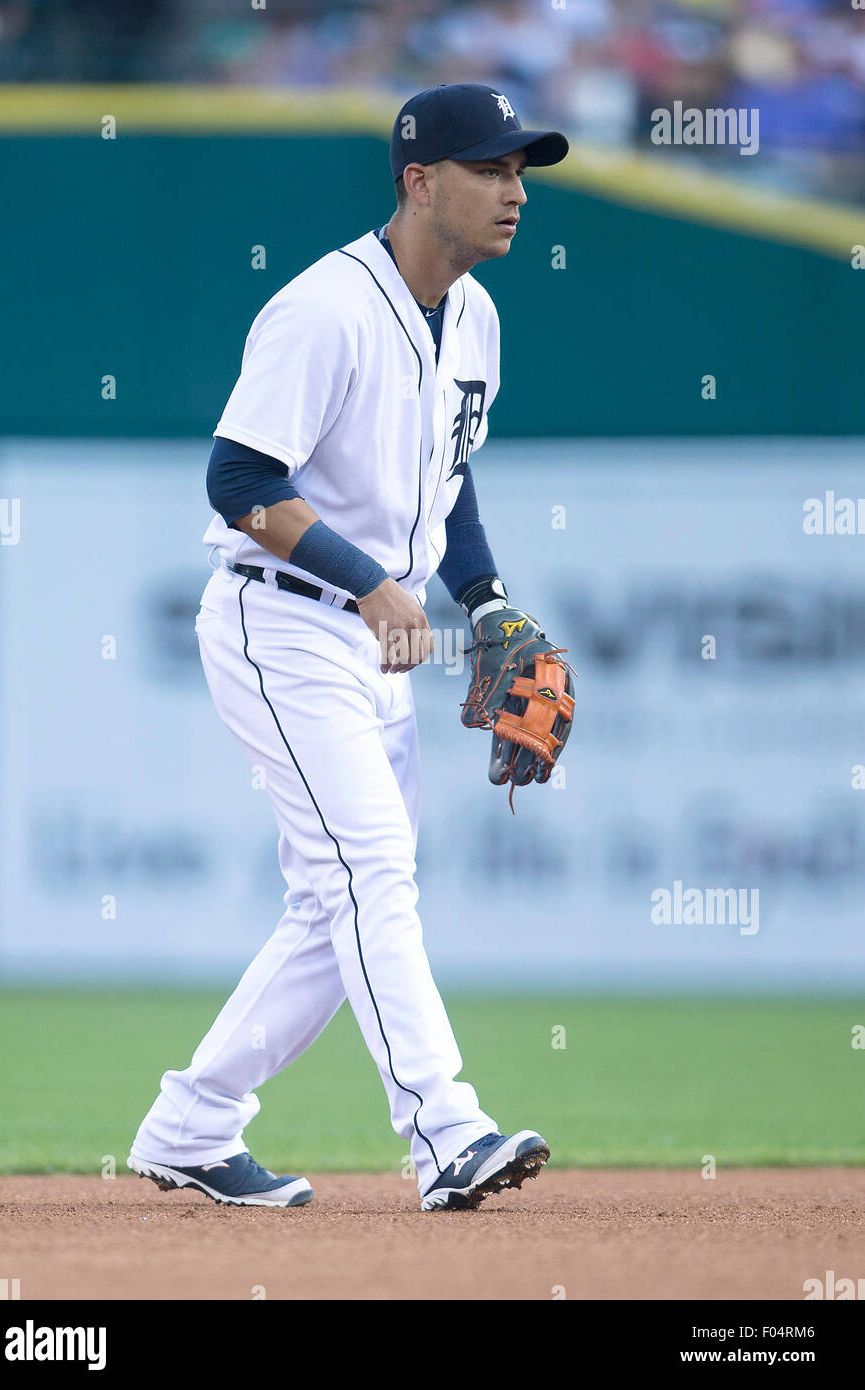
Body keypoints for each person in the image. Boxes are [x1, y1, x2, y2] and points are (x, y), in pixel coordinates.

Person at [128, 83, 569, 1212]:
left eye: (523, 170)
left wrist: (487, 600)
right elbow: (237, 480)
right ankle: (446, 1133)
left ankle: (192, 1122)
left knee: (342, 902)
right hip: (278, 620)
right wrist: (376, 584)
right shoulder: (322, 309)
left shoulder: (476, 317)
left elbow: (449, 480)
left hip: (373, 640)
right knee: (371, 871)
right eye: (491, 170)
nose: (516, 192)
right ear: (419, 181)